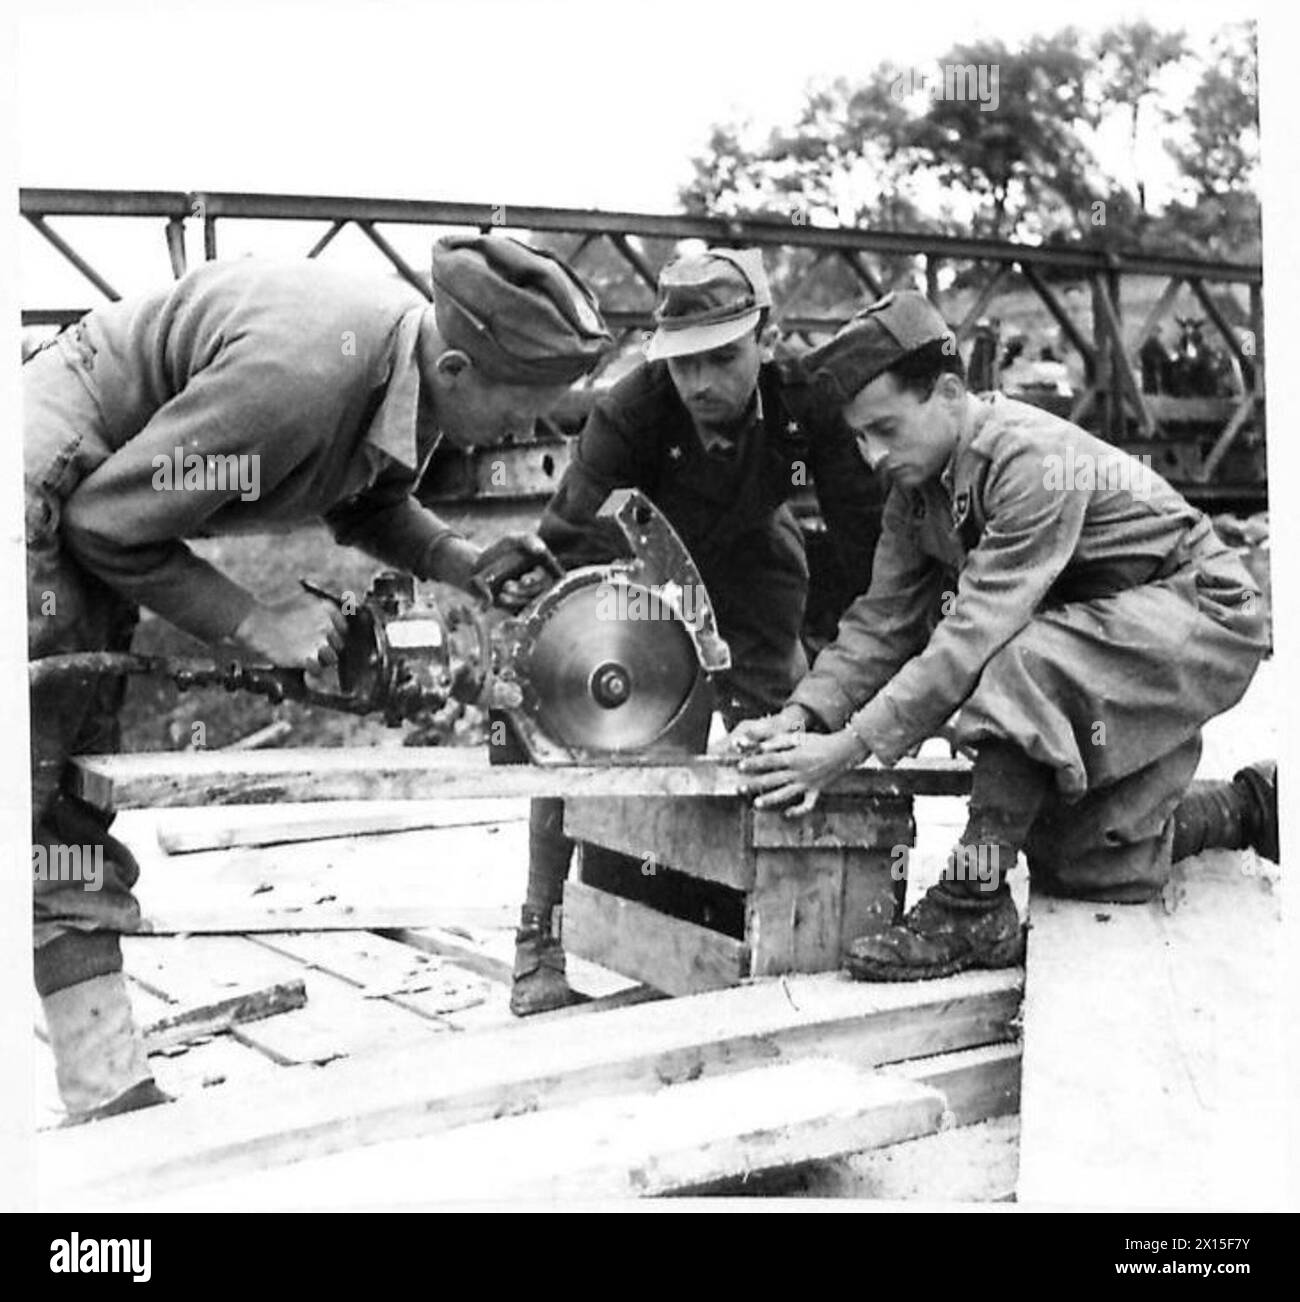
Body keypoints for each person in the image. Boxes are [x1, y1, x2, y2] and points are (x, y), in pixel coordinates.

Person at [27, 235, 611, 1120]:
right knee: (24, 795)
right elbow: (108, 521)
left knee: (64, 811)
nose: (527, 433)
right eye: (522, 409)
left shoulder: (390, 368)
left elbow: (362, 499)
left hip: (91, 495)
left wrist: (458, 561)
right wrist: (261, 624)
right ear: (456, 366)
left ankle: (109, 1093)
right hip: (44, 482)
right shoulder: (300, 378)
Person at [730, 291, 1277, 981]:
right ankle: (1248, 806)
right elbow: (881, 618)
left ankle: (972, 901)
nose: (871, 455)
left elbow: (975, 633)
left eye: (885, 429)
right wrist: (801, 715)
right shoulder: (914, 491)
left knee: (1015, 659)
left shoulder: (1029, 459)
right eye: (859, 438)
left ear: (950, 393)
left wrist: (850, 746)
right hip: (1106, 627)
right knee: (1090, 861)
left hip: (1201, 608)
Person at [507, 247, 885, 1014]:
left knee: (776, 734)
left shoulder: (811, 399)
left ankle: (760, 919)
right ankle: (538, 935)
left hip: (758, 565)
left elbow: (869, 551)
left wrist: (838, 676)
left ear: (767, 340)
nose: (702, 384)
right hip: (639, 569)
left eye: (722, 358)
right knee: (577, 727)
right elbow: (569, 548)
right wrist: (600, 652)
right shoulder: (630, 410)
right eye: (684, 366)